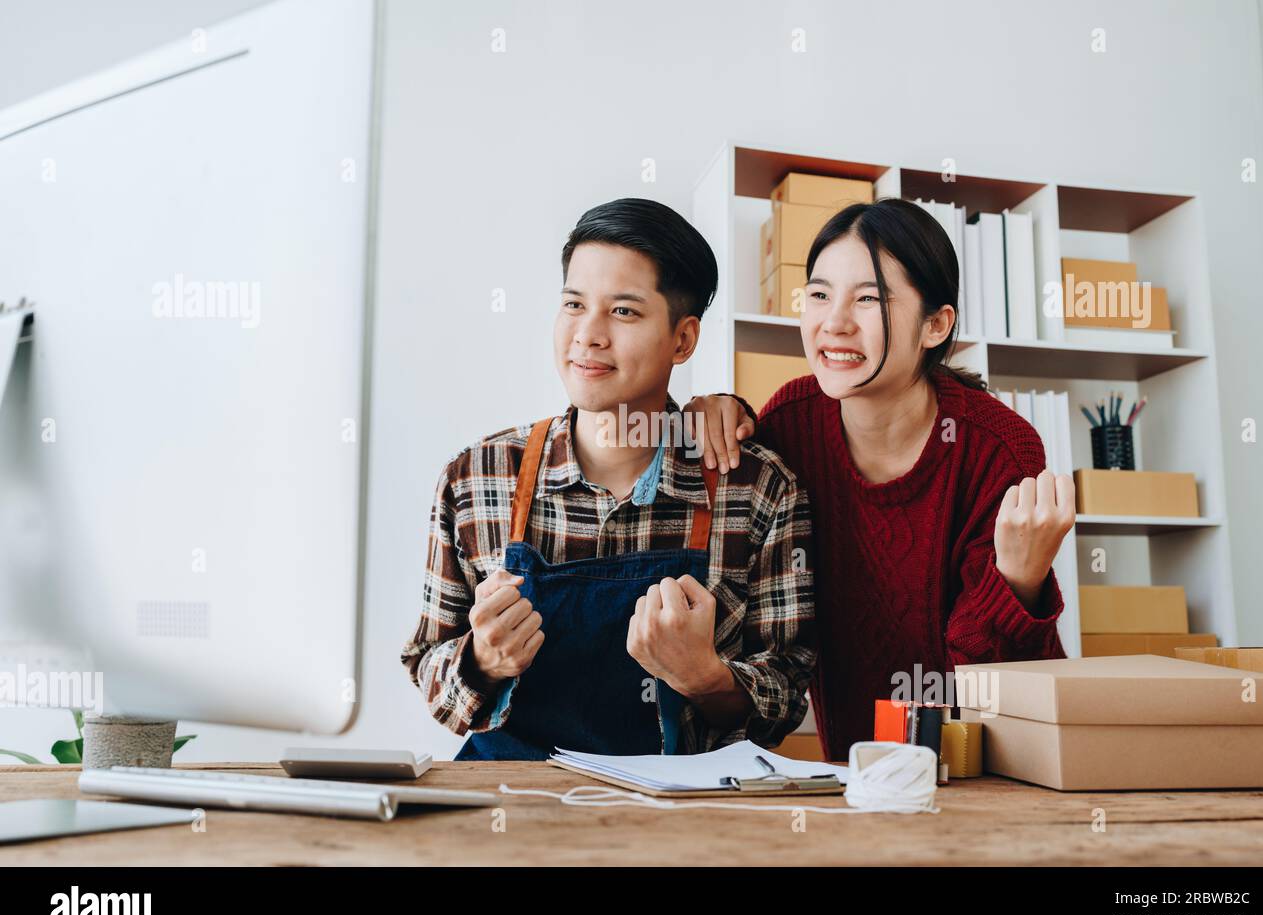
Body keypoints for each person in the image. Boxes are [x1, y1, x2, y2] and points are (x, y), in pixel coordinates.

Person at [400, 198, 817, 760]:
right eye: (573, 304)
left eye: (623, 312)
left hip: (679, 828)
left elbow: (785, 697)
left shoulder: (758, 490)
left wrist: (705, 677)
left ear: (683, 339)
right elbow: (429, 666)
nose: (588, 335)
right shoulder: (477, 477)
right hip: (511, 818)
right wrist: (480, 662)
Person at [685, 198, 1073, 760]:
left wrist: (1017, 580)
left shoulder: (998, 449)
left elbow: (987, 677)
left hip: (993, 763)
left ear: (935, 325)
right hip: (853, 769)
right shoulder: (791, 424)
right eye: (818, 295)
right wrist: (722, 411)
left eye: (868, 299)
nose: (834, 322)